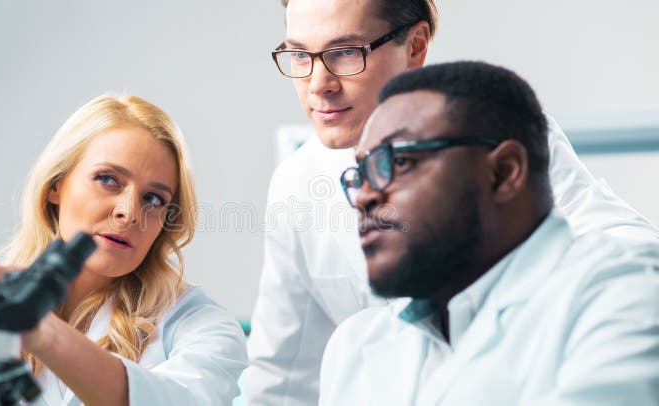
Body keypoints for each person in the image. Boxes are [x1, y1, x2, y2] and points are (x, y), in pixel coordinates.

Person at [244, 0, 659, 404]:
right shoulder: (298, 192)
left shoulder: (483, 130)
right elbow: (280, 379)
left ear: (416, 46)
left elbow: (627, 256)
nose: (319, 84)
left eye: (345, 52)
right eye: (299, 55)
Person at [319, 60, 659, 405]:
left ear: (503, 172)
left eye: (399, 161)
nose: (365, 196)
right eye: (363, 173)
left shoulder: (627, 292)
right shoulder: (356, 346)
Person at [0, 94, 248, 405]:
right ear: (56, 185)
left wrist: (43, 332)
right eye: (108, 179)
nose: (128, 212)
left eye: (153, 199)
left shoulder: (201, 326)